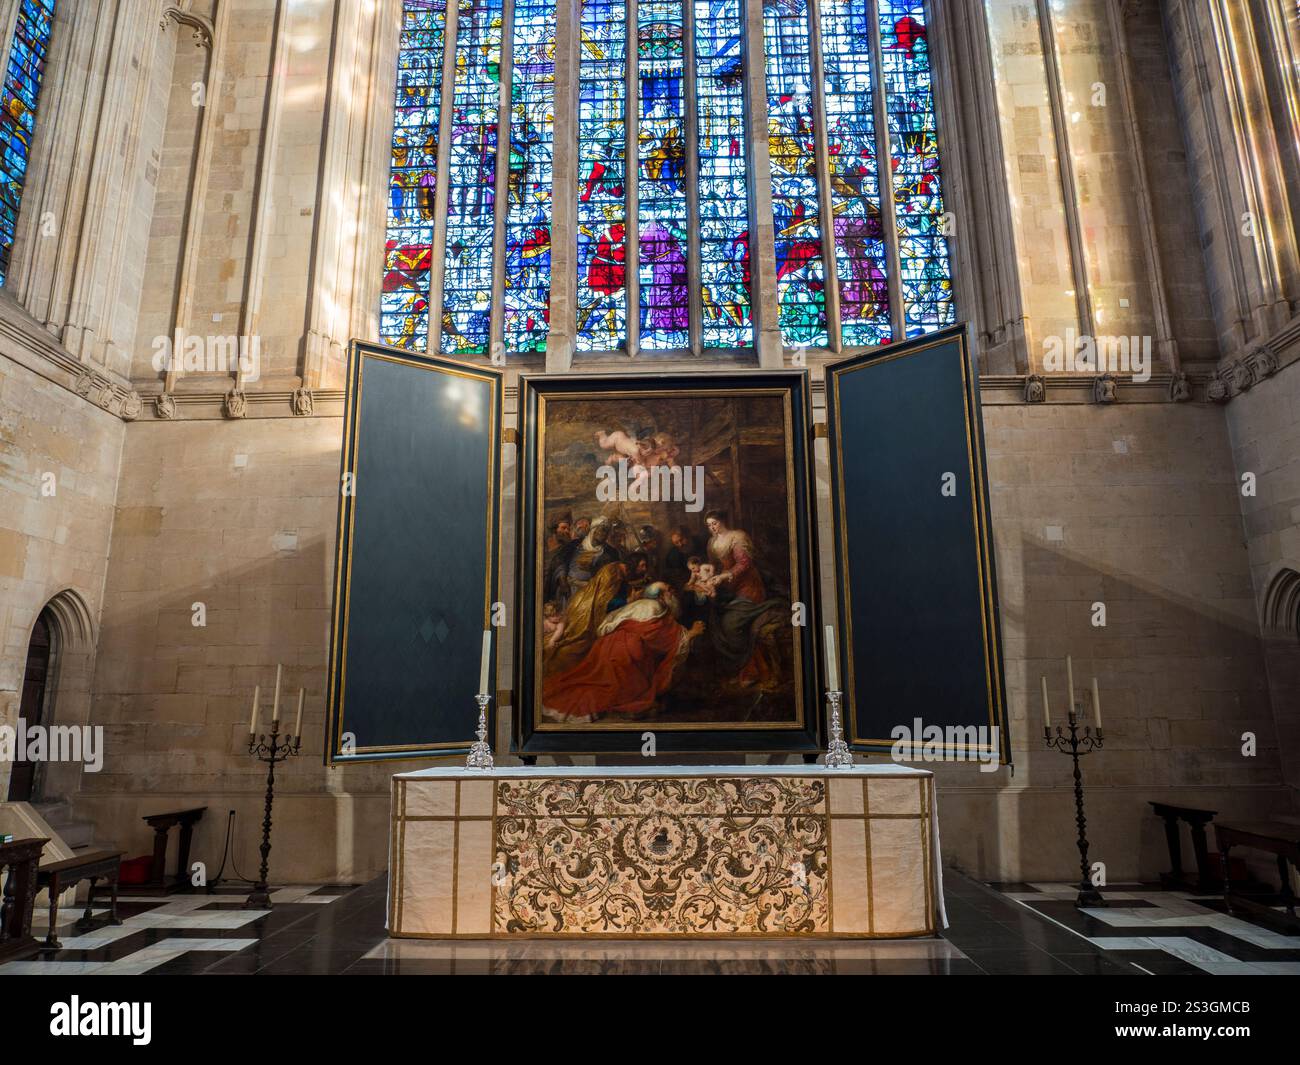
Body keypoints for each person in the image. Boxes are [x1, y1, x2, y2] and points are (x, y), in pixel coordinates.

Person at [541, 583, 705, 723]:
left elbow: (607, 623)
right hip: (625, 653)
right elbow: (663, 637)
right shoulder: (656, 607)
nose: (672, 592)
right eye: (669, 590)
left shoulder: (640, 604)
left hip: (606, 646)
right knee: (628, 692)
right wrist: (691, 633)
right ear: (661, 596)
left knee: (596, 681)